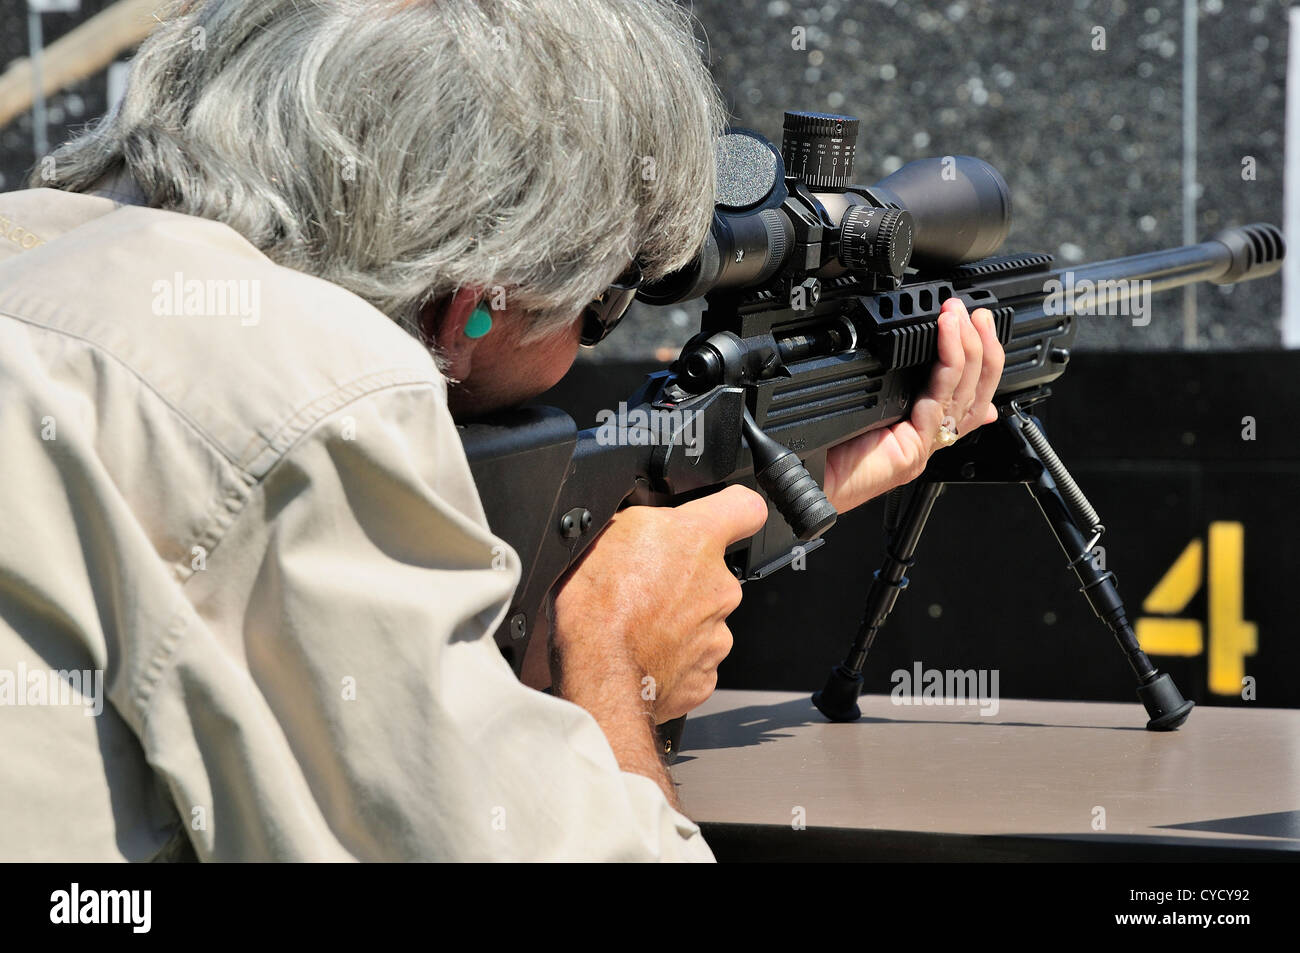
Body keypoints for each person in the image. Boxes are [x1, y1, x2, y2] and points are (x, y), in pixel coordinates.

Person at [0, 0, 1003, 861]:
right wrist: (610, 646)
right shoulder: (311, 393)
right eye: (607, 299)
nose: (604, 326)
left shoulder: (42, 253)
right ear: (472, 308)